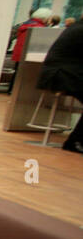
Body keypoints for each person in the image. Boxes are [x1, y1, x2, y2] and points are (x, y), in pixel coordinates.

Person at [36, 20, 83, 153]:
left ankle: (76, 140)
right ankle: (75, 141)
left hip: (64, 73)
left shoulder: (78, 26)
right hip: (62, 75)